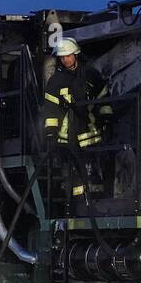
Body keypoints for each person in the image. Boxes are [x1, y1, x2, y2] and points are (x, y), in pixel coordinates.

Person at [42, 36, 112, 209]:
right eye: (62, 57)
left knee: (93, 168)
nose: (66, 59)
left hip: (89, 131)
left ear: (76, 54)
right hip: (66, 137)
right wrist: (50, 131)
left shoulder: (90, 74)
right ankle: (78, 206)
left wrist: (106, 117)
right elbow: (51, 109)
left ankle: (96, 201)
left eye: (68, 55)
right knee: (75, 175)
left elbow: (103, 97)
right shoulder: (55, 82)